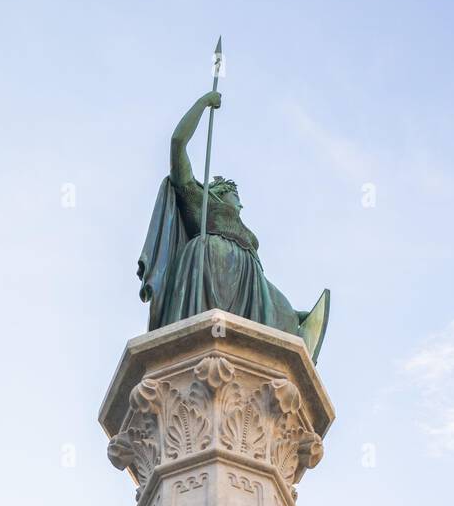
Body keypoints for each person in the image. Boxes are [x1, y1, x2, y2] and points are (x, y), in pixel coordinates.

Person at [137, 91, 330, 360]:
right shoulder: (199, 199)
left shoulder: (243, 240)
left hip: (249, 280)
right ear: (221, 193)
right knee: (204, 338)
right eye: (237, 198)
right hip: (206, 265)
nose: (241, 206)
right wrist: (204, 102)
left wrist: (289, 314)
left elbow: (269, 294)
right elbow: (177, 142)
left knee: (281, 316)